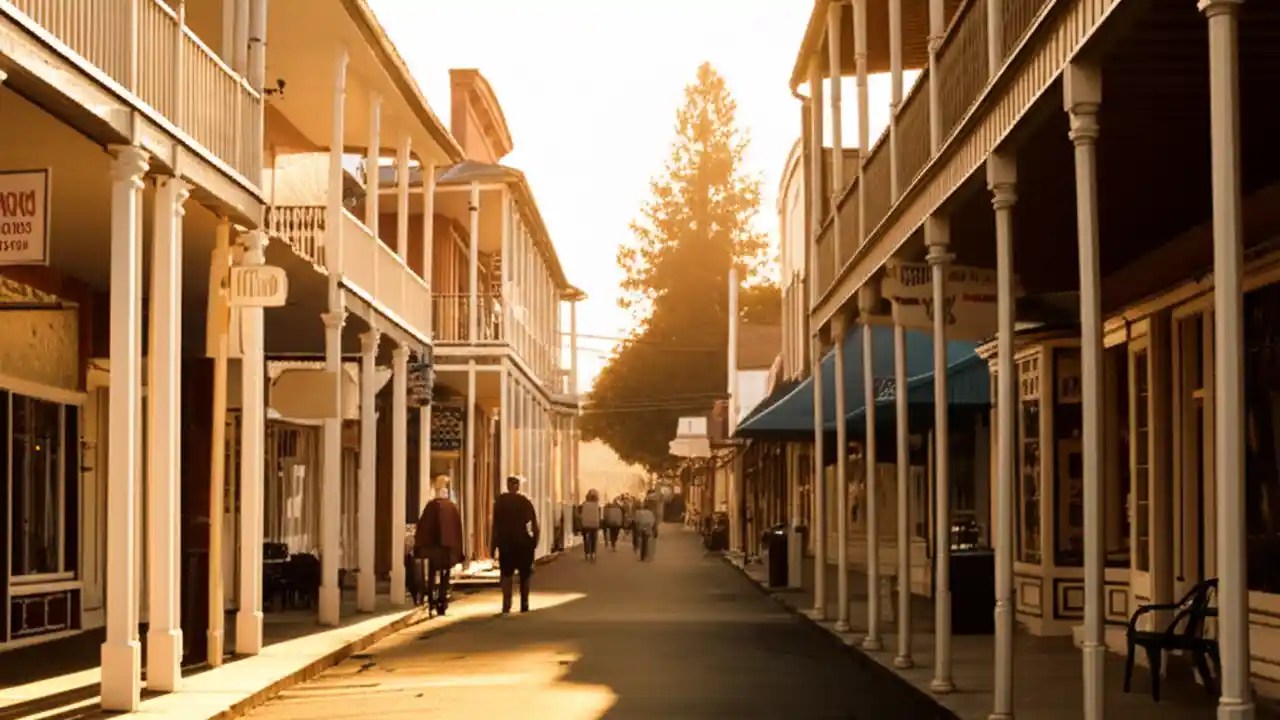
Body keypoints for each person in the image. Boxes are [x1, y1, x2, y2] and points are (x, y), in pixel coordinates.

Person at [414, 482, 464, 617]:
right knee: (445, 574)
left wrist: (419, 546)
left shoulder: (430, 507)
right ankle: (442, 600)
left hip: (432, 548)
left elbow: (422, 527)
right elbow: (457, 530)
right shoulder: (451, 508)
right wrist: (458, 550)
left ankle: (431, 601)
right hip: (446, 548)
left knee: (431, 573)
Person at [491, 475, 539, 614]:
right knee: (525, 574)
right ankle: (524, 602)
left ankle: (506, 603)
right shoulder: (524, 502)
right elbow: (535, 524)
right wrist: (535, 541)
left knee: (506, 574)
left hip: (506, 542)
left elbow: (495, 526)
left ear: (507, 485)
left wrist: (493, 546)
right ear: (517, 486)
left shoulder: (500, 502)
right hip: (523, 542)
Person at [579, 489, 602, 561]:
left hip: (585, 524)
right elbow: (599, 516)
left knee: (586, 539)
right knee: (594, 539)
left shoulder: (583, 504)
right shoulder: (597, 506)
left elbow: (580, 514)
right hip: (594, 525)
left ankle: (587, 553)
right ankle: (593, 553)